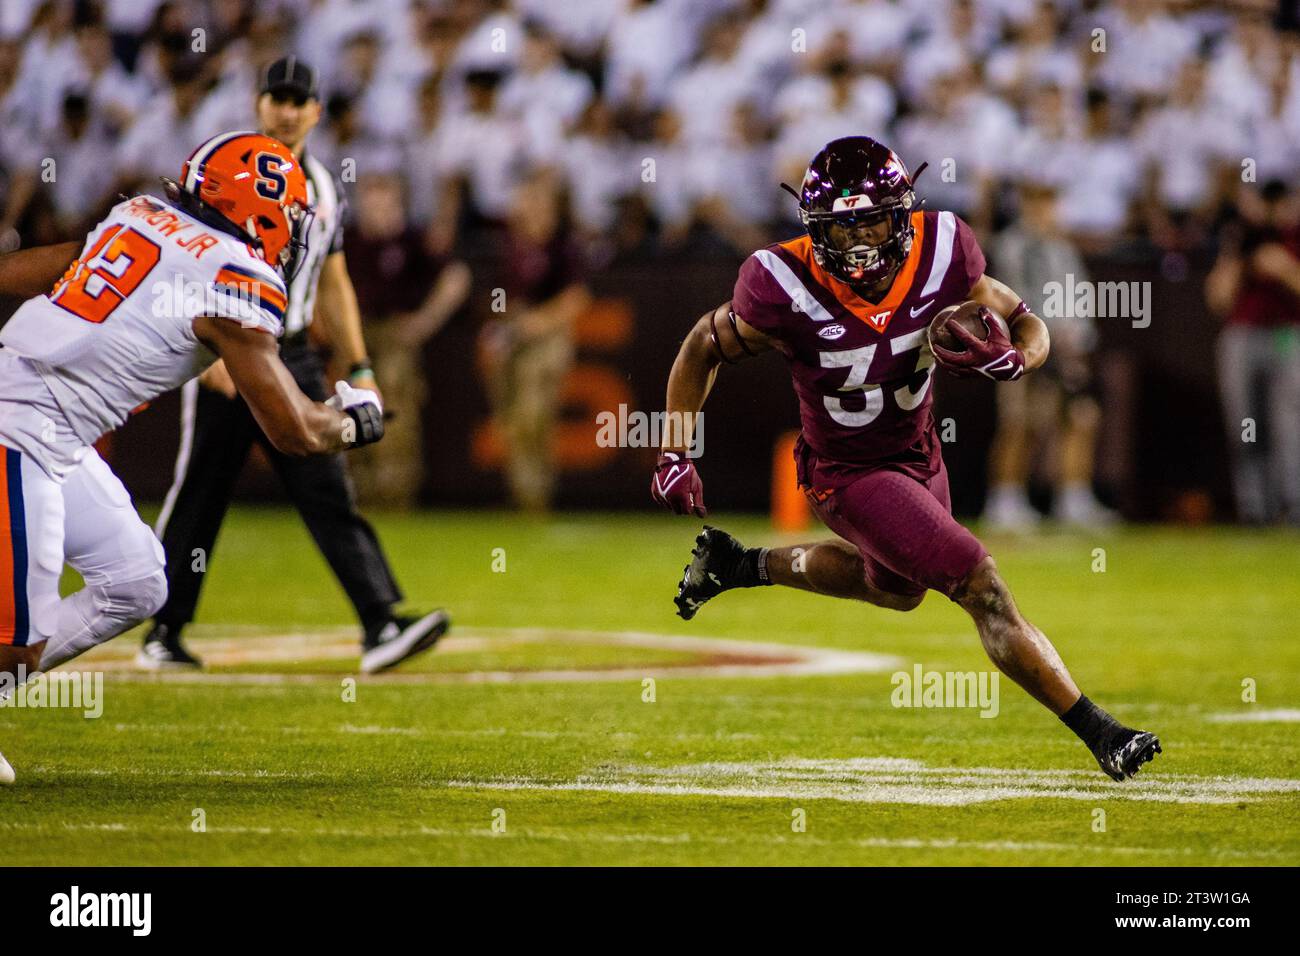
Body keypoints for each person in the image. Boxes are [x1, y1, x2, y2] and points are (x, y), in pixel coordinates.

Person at [651, 136, 1160, 781]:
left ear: (901, 214)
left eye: (871, 220)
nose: (860, 241)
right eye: (842, 226)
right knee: (983, 587)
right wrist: (673, 450)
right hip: (847, 472)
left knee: (894, 591)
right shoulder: (779, 280)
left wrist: (1017, 359)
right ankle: (1101, 731)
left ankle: (740, 563)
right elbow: (703, 345)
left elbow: (1030, 322)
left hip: (920, 455)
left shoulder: (943, 247)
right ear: (813, 229)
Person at [0, 131, 385, 783]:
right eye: (287, 218)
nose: (290, 236)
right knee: (20, 641)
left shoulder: (143, 213)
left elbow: (63, 260)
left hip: (47, 425)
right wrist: (353, 423)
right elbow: (292, 429)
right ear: (260, 214)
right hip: (20, 427)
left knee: (138, 580)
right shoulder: (235, 276)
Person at [140, 57, 449, 672]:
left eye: (296, 99)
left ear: (315, 111)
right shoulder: (226, 170)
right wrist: (208, 350)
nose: (284, 109)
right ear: (258, 104)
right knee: (202, 488)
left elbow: (334, 279)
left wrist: (359, 363)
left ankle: (380, 623)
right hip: (229, 343)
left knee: (328, 487)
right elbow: (182, 259)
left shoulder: (325, 187)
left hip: (294, 347)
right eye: (275, 97)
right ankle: (161, 630)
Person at [984, 179, 1116, 530]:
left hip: (1067, 350)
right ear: (1025, 205)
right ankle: (1005, 500)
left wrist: (1078, 339)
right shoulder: (1014, 245)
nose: (1047, 211)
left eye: (1050, 202)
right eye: (1039, 203)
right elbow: (1010, 297)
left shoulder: (1062, 247)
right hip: (1024, 349)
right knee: (1021, 423)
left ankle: (1074, 498)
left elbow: (1078, 297)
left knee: (1080, 418)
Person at [1206, 179, 1300, 523]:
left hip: (1287, 335)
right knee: (1245, 425)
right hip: (1242, 336)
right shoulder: (1242, 238)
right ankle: (1255, 510)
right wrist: (1237, 256)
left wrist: (1285, 269)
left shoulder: (1294, 237)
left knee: (1289, 425)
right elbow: (1218, 298)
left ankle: (1292, 507)